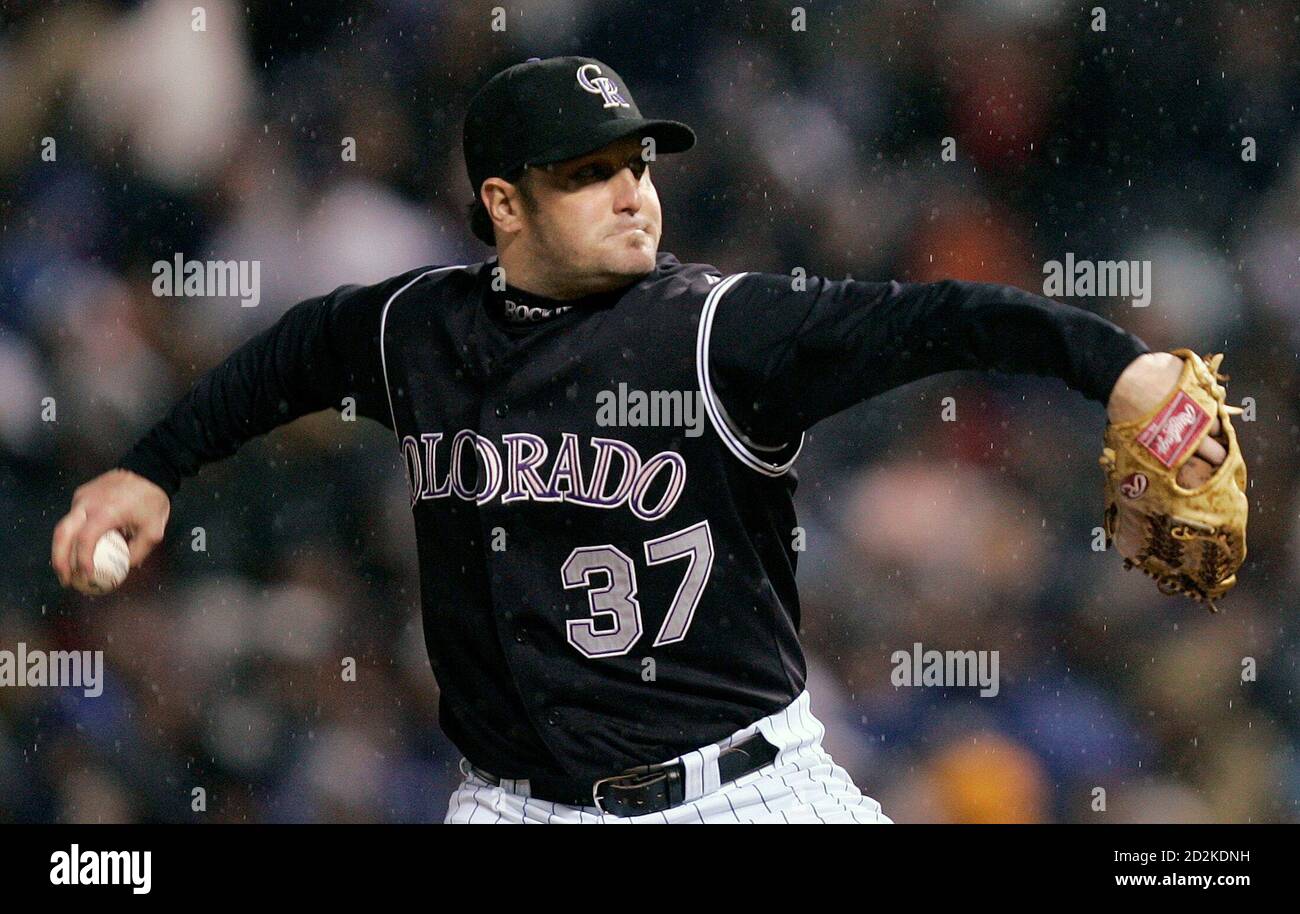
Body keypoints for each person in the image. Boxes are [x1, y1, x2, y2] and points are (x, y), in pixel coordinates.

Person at [51, 56, 1227, 823]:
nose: (633, 194)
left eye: (638, 165)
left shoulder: (720, 330)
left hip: (746, 796)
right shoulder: (415, 330)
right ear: (504, 203)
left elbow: (935, 316)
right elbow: (287, 357)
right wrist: (153, 465)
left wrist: (1113, 362)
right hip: (517, 807)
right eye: (588, 174)